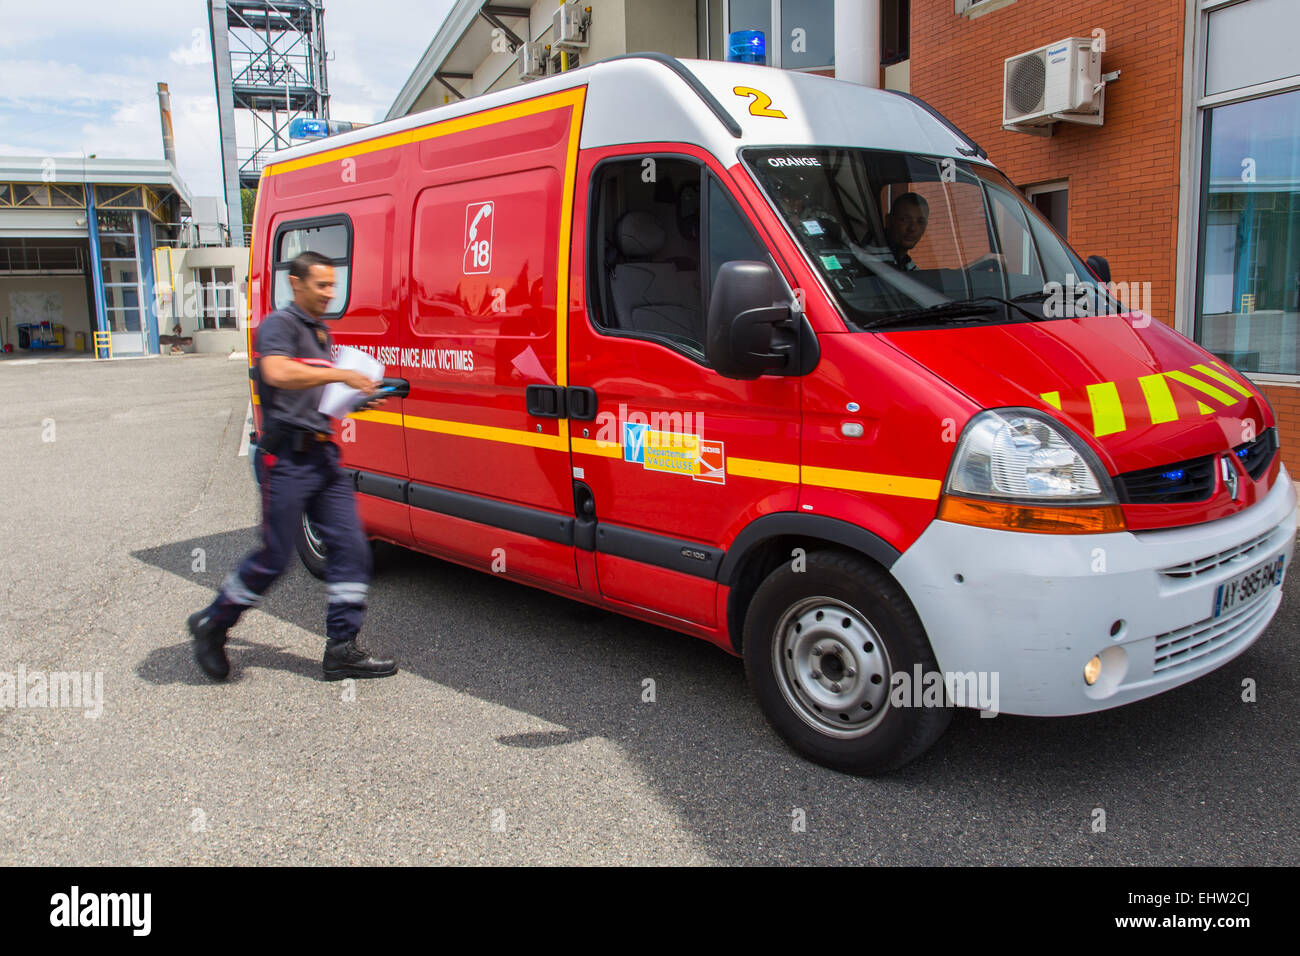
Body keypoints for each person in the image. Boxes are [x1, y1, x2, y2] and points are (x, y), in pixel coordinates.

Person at [187, 250, 397, 682]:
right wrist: (338, 375)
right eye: (321, 285)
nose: (328, 293)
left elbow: (316, 395)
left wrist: (360, 398)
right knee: (274, 558)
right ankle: (214, 623)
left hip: (321, 456)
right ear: (296, 284)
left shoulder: (320, 331)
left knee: (353, 547)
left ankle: (342, 647)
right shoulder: (278, 325)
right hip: (285, 459)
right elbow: (279, 372)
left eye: (332, 285)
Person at [850, 192, 929, 272]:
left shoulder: (906, 262)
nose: (912, 228)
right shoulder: (873, 258)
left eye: (920, 222)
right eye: (904, 220)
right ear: (889, 221)